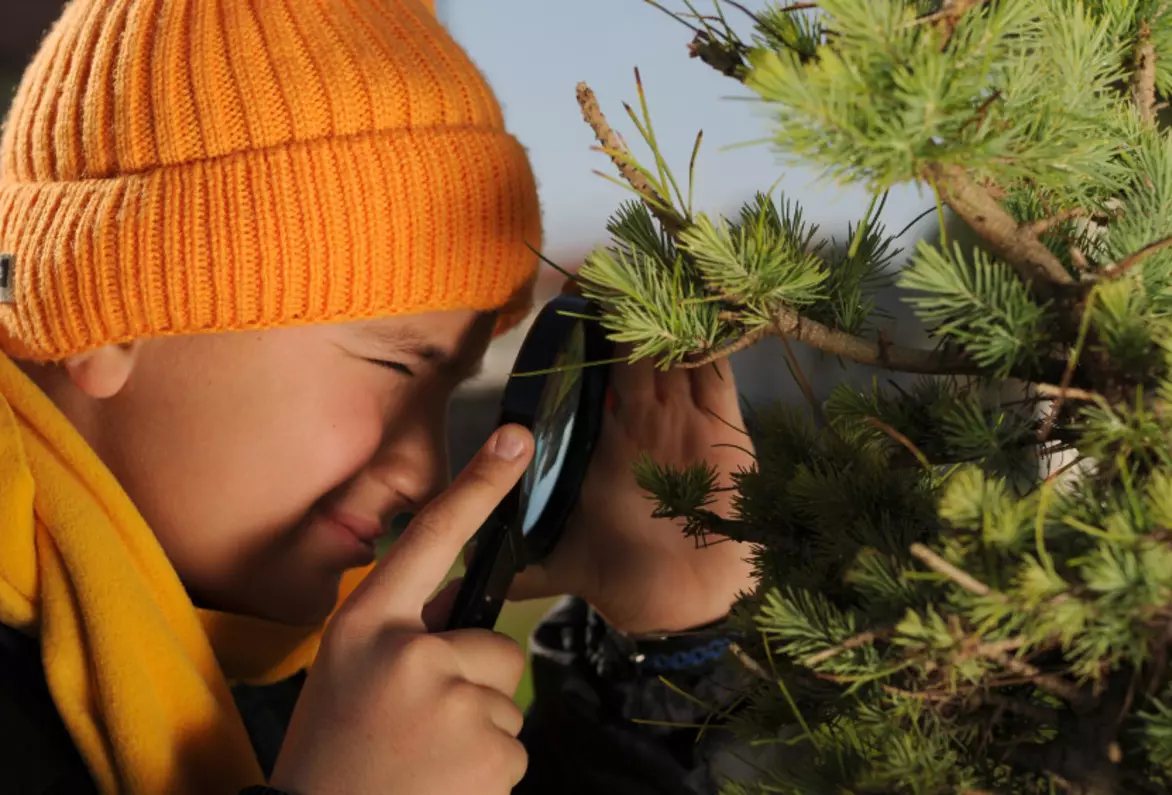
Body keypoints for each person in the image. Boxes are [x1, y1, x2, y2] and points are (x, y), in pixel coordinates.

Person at [0, 1, 758, 794]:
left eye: (448, 390)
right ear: (111, 312)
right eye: (395, 366)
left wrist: (660, 657)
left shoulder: (310, 681)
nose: (424, 471)